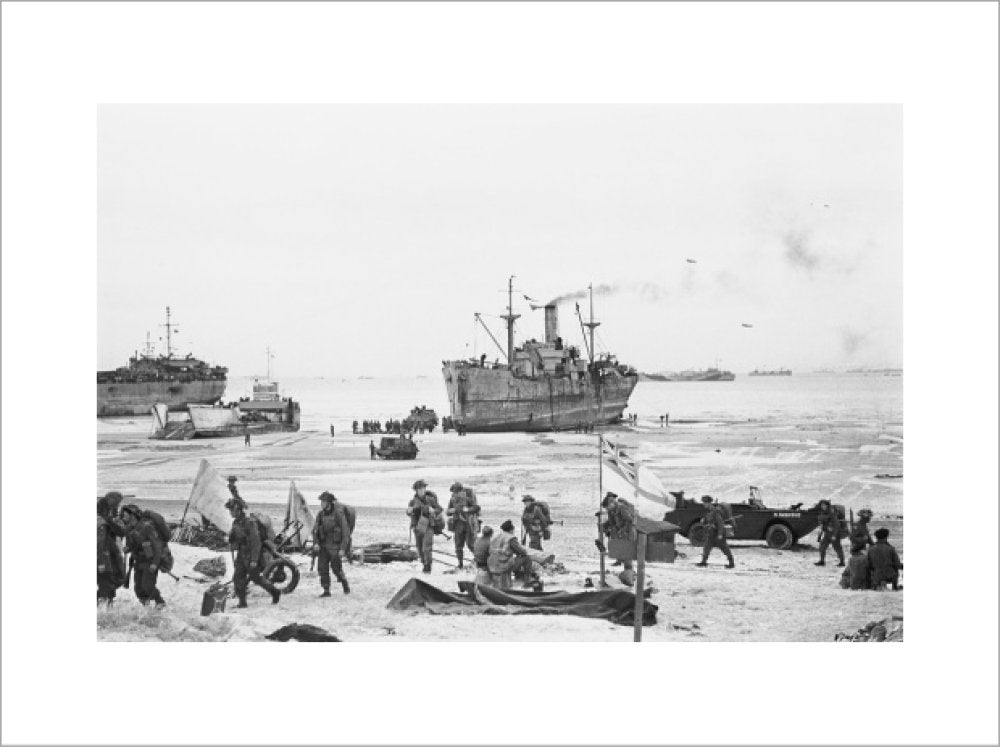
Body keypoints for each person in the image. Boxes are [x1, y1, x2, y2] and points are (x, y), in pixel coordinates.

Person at [226, 496, 280, 608]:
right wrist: (231, 538)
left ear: (238, 510)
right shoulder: (236, 523)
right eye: (230, 510)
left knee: (256, 578)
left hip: (251, 555)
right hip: (242, 554)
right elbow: (235, 538)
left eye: (232, 510)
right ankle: (242, 602)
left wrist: (254, 560)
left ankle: (274, 591)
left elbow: (256, 543)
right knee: (238, 577)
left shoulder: (249, 523)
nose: (231, 513)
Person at [120, 504, 170, 607]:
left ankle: (160, 602)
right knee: (138, 588)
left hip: (150, 561)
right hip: (138, 561)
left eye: (125, 515)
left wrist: (155, 564)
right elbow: (131, 545)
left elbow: (157, 546)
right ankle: (146, 606)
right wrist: (127, 549)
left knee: (148, 585)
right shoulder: (129, 528)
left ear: (132, 515)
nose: (123, 517)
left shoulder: (147, 527)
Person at [313, 492, 350, 596]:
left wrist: (343, 548)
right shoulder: (320, 515)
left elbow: (345, 532)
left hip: (335, 546)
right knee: (322, 568)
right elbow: (315, 530)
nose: (322, 504)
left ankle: (344, 583)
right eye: (321, 502)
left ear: (329, 503)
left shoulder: (338, 514)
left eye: (324, 502)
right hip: (323, 546)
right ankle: (326, 590)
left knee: (336, 569)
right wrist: (316, 543)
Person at [488, 520, 540, 590]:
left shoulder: (496, 537)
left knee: (514, 558)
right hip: (503, 565)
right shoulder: (511, 538)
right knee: (526, 558)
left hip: (492, 564)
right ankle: (527, 581)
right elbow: (522, 552)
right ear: (511, 529)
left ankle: (517, 577)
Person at [96, 491, 127, 604]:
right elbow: (99, 543)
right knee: (107, 581)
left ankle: (106, 601)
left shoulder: (109, 516)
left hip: (110, 554)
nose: (118, 506)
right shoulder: (101, 521)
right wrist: (101, 563)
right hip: (104, 557)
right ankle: (104, 604)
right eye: (117, 503)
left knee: (117, 578)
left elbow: (121, 531)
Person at [407, 479, 443, 573]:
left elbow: (440, 509)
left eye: (423, 488)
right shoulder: (412, 502)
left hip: (428, 526)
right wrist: (409, 511)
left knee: (426, 547)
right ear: (416, 490)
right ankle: (424, 564)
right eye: (419, 489)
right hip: (417, 527)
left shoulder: (430, 499)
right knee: (419, 548)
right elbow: (408, 512)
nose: (421, 490)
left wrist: (433, 510)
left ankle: (428, 566)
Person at [601, 492, 637, 583]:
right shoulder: (611, 510)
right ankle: (622, 564)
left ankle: (630, 575)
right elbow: (611, 522)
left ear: (612, 503)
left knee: (627, 555)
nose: (607, 509)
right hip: (619, 534)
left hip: (628, 534)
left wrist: (623, 530)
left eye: (608, 507)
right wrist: (604, 526)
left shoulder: (622, 508)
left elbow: (630, 520)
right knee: (620, 551)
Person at [447, 482, 481, 569]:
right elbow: (447, 512)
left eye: (456, 492)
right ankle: (460, 564)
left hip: (469, 524)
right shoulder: (453, 499)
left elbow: (476, 508)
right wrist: (451, 511)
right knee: (458, 546)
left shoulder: (468, 497)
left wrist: (467, 509)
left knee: (471, 544)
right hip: (458, 524)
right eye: (454, 492)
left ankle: (480, 560)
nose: (454, 494)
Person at [695, 495, 735, 568]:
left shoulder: (715, 511)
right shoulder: (708, 511)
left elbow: (720, 523)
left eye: (705, 503)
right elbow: (708, 521)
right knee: (706, 547)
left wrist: (720, 534)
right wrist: (704, 521)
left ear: (709, 503)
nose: (703, 504)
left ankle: (731, 563)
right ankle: (703, 562)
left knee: (724, 548)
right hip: (711, 534)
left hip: (717, 534)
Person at [815, 499, 846, 567]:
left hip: (833, 533)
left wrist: (834, 535)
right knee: (822, 547)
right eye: (821, 505)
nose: (822, 506)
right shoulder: (823, 512)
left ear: (827, 505)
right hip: (827, 533)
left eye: (824, 505)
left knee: (837, 548)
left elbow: (837, 525)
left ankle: (842, 562)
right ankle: (822, 561)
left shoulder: (832, 513)